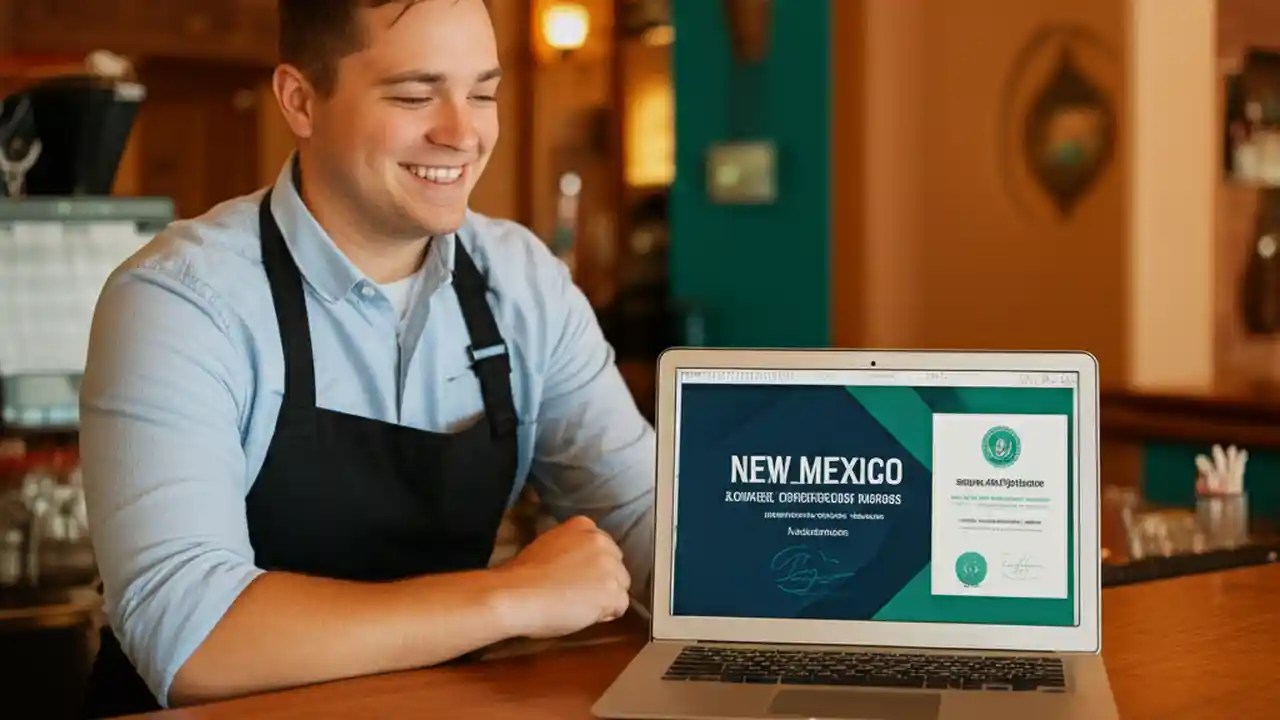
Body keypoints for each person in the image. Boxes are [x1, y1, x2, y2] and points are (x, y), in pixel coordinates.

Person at [77, 0, 655, 715]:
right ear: (299, 100)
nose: (463, 132)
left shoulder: (522, 282)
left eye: (483, 92)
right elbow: (191, 638)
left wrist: (800, 598)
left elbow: (644, 514)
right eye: (415, 95)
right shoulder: (180, 300)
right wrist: (512, 597)